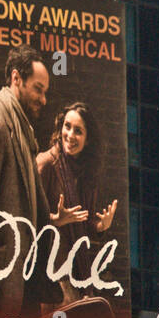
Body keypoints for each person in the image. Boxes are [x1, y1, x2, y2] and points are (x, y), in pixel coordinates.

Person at [0, 45, 62, 318]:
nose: (43, 99)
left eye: (45, 92)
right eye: (38, 89)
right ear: (16, 78)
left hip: (24, 283)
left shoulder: (22, 131)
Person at [35, 102, 119, 306]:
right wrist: (54, 220)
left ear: (88, 140)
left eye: (78, 131)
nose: (70, 135)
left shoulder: (86, 174)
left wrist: (99, 228)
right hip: (49, 276)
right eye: (67, 126)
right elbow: (26, 218)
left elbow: (82, 225)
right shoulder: (45, 164)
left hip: (77, 273)